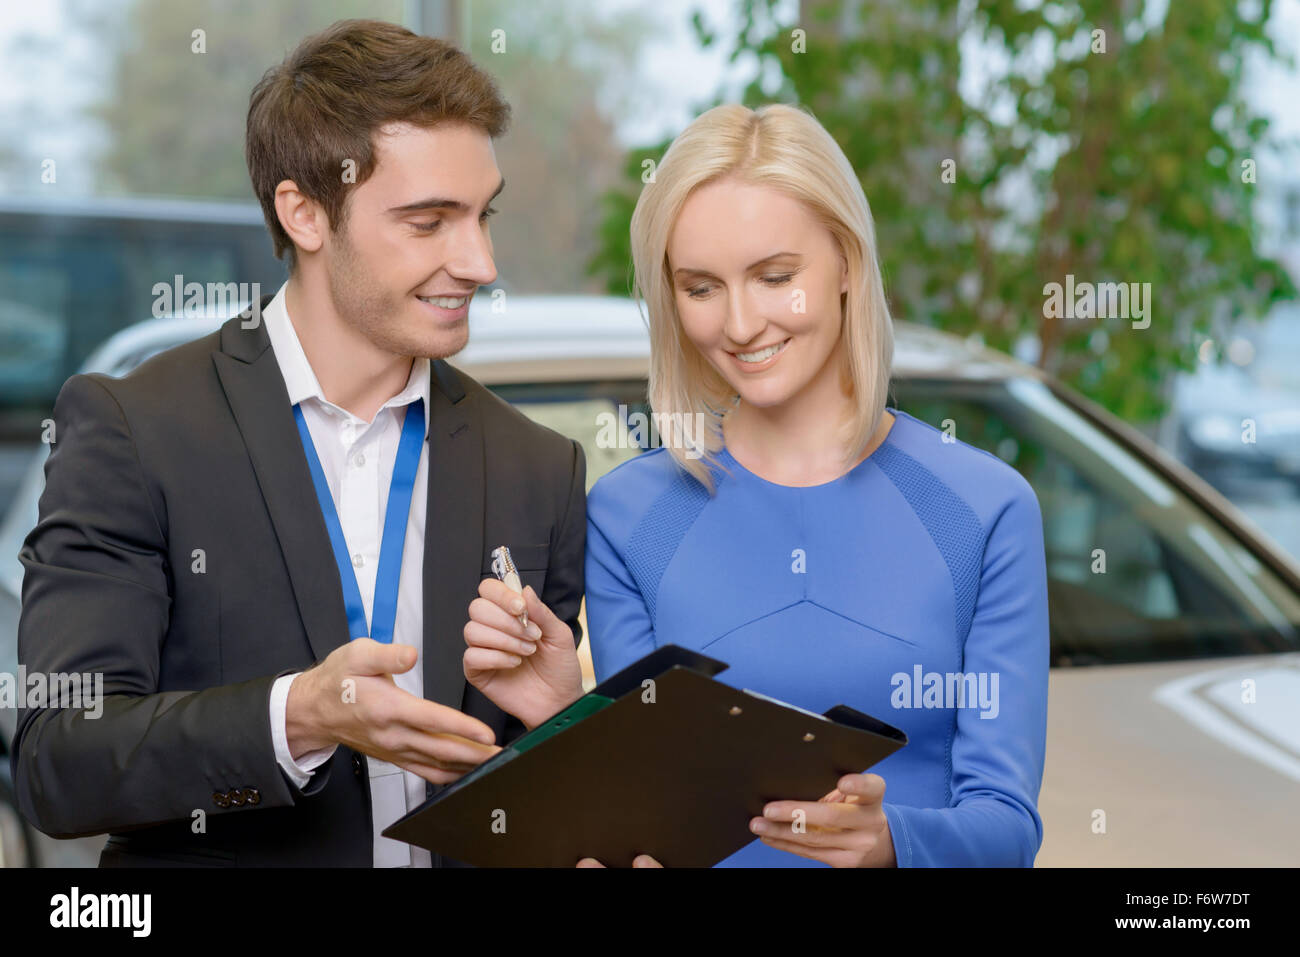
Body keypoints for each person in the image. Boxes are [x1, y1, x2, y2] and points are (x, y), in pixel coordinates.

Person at [11, 19, 586, 867]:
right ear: (305, 213)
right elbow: (61, 761)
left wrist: (565, 723)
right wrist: (302, 713)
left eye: (482, 215)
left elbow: (553, 813)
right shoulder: (136, 430)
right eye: (430, 222)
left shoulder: (539, 465)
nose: (480, 261)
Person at [464, 102, 1049, 867]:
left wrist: (891, 842)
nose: (740, 324)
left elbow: (1007, 828)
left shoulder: (985, 509)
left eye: (775, 276)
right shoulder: (628, 513)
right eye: (701, 287)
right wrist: (566, 713)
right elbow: (657, 804)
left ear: (846, 261)